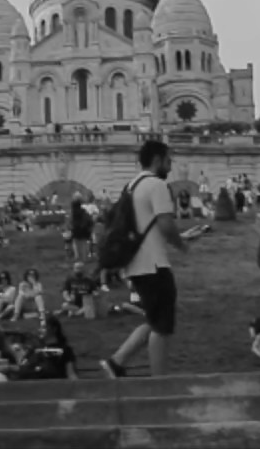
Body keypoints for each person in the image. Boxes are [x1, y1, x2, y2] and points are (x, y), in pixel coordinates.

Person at [100, 139, 189, 379]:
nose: (170, 167)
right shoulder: (156, 185)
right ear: (157, 159)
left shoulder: (131, 185)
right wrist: (182, 245)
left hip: (135, 266)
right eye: (168, 161)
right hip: (154, 265)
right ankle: (160, 383)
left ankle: (116, 362)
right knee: (162, 327)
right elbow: (165, 223)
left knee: (153, 319)